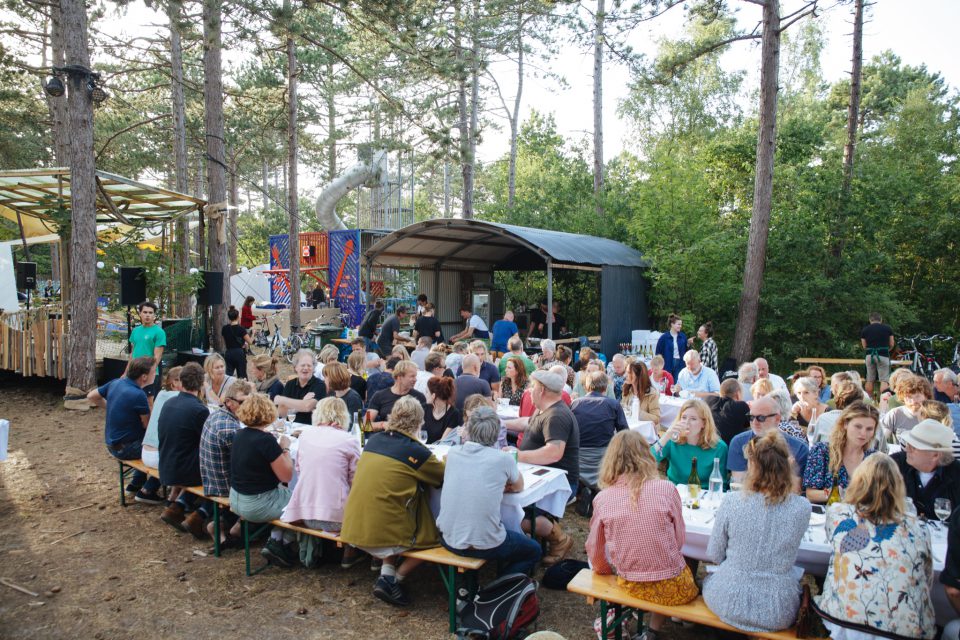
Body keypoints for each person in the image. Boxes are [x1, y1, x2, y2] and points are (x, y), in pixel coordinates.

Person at [586, 430, 698, 640]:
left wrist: (603, 571)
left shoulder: (602, 499)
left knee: (646, 571)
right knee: (670, 571)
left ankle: (618, 618)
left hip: (631, 584)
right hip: (674, 587)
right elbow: (679, 540)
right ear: (647, 456)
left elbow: (594, 548)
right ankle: (653, 630)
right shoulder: (667, 488)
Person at [813, 454, 936, 640]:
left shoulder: (838, 513)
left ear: (858, 482)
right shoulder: (918, 527)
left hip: (843, 622)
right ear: (898, 486)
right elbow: (926, 579)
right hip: (903, 631)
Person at [703, 429, 811, 633]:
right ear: (786, 466)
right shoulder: (802, 507)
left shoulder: (732, 501)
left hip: (727, 597)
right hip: (777, 608)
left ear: (752, 466)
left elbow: (715, 554)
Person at [340, 397, 445, 606]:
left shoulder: (375, 440)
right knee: (441, 538)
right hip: (386, 532)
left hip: (354, 528)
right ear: (419, 421)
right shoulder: (416, 451)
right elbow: (441, 477)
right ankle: (397, 578)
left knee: (396, 502)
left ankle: (386, 575)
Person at [438, 406, 541, 576]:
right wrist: (499, 485)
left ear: (469, 429)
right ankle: (502, 587)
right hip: (485, 542)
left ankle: (473, 586)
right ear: (495, 432)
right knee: (534, 550)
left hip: (448, 537)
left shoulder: (453, 453)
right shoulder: (502, 458)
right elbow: (518, 486)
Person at [506, 369, 579, 565]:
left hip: (558, 482)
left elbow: (554, 452)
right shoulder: (545, 409)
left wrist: (516, 455)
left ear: (542, 390)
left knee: (517, 512)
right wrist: (501, 424)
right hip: (539, 475)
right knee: (509, 504)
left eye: (533, 387)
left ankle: (560, 540)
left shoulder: (556, 416)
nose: (529, 391)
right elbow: (527, 423)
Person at [281, 397, 364, 568]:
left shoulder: (306, 436)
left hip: (306, 514)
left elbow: (300, 469)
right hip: (337, 520)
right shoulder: (348, 440)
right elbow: (356, 481)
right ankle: (357, 552)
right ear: (343, 415)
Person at [229, 393, 298, 568]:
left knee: (289, 494)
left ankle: (277, 537)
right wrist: (286, 449)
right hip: (256, 504)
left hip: (236, 499)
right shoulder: (265, 440)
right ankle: (282, 541)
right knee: (300, 502)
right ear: (268, 413)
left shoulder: (239, 434)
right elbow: (287, 476)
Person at [87, 356, 163, 503]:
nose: (156, 373)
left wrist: (112, 406)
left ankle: (135, 483)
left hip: (112, 444)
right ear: (144, 376)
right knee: (166, 450)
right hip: (127, 448)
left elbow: (92, 396)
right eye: (154, 371)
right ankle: (148, 490)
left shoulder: (116, 383)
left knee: (143, 442)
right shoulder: (138, 395)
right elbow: (148, 428)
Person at [157, 362, 212, 537]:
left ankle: (177, 506)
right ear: (202, 383)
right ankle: (198, 516)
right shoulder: (199, 410)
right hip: (184, 470)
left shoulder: (169, 402)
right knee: (221, 470)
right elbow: (209, 443)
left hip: (166, 463)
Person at [199, 379, 253, 543]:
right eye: (243, 402)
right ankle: (240, 526)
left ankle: (221, 524)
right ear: (229, 402)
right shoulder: (230, 428)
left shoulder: (216, 415)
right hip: (222, 485)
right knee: (266, 486)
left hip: (210, 478)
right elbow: (248, 462)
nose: (248, 407)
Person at [803, 402, 879, 503]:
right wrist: (841, 495)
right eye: (858, 426)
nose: (863, 433)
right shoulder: (822, 451)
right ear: (845, 424)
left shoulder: (874, 458)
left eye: (869, 429)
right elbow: (811, 494)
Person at [728, 395, 809, 485]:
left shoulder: (799, 449)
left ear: (777, 419)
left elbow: (795, 490)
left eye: (761, 418)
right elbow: (739, 483)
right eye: (751, 417)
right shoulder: (739, 442)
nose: (754, 422)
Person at [891, 419, 960, 520]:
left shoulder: (956, 475)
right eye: (907, 443)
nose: (907, 449)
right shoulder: (894, 464)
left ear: (935, 455)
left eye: (914, 447)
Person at [651, 398, 727, 489]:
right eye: (684, 417)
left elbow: (722, 484)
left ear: (704, 423)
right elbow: (646, 461)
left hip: (704, 496)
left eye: (693, 419)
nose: (687, 423)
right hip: (676, 493)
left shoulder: (719, 447)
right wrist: (667, 435)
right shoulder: (672, 441)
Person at [572, 371, 628, 490]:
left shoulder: (575, 404)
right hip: (604, 456)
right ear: (606, 387)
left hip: (579, 457)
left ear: (586, 386)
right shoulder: (613, 404)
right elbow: (625, 433)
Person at [808, 380, 872, 446]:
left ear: (836, 399)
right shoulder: (871, 423)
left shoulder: (823, 419)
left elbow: (814, 446)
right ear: (861, 401)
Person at [142, 366, 183, 469]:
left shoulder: (161, 394)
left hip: (145, 452)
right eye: (185, 380)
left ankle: (146, 485)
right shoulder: (178, 397)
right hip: (158, 456)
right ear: (174, 383)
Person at [367, 360, 426, 429]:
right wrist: (384, 425)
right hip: (386, 435)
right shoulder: (380, 396)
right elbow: (366, 424)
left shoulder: (419, 397)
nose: (415, 379)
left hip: (409, 438)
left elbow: (423, 425)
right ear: (399, 377)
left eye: (415, 376)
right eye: (412, 376)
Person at [275, 349, 326, 425]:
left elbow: (307, 406)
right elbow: (281, 412)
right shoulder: (290, 384)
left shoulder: (319, 385)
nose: (306, 368)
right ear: (296, 367)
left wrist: (283, 400)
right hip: (290, 427)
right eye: (302, 365)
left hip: (309, 429)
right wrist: (302, 402)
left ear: (313, 368)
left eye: (309, 365)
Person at [125, 301, 166, 397]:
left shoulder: (159, 332)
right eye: (145, 312)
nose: (147, 315)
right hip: (134, 372)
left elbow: (157, 356)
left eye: (150, 313)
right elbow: (133, 353)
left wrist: (150, 373)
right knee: (133, 399)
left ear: (154, 315)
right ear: (140, 314)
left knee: (149, 403)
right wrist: (126, 371)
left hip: (149, 373)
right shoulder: (135, 331)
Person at [879, 374, 933, 440]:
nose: (913, 401)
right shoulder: (895, 414)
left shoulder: (935, 415)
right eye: (908, 397)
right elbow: (881, 437)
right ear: (902, 397)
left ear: (926, 396)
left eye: (917, 396)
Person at [704, 378, 751, 444]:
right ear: (738, 394)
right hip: (731, 446)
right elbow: (748, 426)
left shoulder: (709, 400)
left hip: (709, 444)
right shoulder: (741, 406)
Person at [860, 311, 895, 397]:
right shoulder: (887, 329)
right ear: (881, 319)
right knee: (884, 380)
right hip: (883, 355)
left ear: (870, 320)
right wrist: (887, 350)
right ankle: (883, 400)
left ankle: (869, 401)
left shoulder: (865, 330)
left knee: (869, 379)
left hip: (869, 355)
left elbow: (864, 346)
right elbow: (891, 344)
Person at [621, 360, 661, 428]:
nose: (625, 375)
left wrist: (637, 412)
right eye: (626, 372)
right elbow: (623, 408)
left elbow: (656, 418)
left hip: (644, 431)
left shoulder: (652, 394)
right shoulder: (626, 389)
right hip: (628, 428)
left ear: (638, 375)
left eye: (629, 372)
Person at [423, 375, 459, 443]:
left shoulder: (453, 414)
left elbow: (443, 441)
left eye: (427, 392)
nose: (425, 394)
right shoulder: (424, 408)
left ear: (433, 396)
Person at [654, 314, 687, 381]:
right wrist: (659, 365)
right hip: (667, 363)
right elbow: (658, 352)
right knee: (668, 382)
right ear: (672, 324)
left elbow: (686, 350)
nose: (680, 326)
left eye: (681, 324)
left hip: (680, 363)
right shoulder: (664, 337)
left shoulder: (683, 336)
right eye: (678, 324)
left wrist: (688, 344)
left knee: (678, 382)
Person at [221, 306, 251, 379]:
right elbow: (250, 341)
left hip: (229, 352)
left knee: (227, 375)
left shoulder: (224, 328)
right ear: (238, 317)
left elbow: (224, 341)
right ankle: (243, 389)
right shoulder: (241, 329)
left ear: (229, 318)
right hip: (239, 353)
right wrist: (253, 333)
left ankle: (226, 388)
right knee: (242, 375)